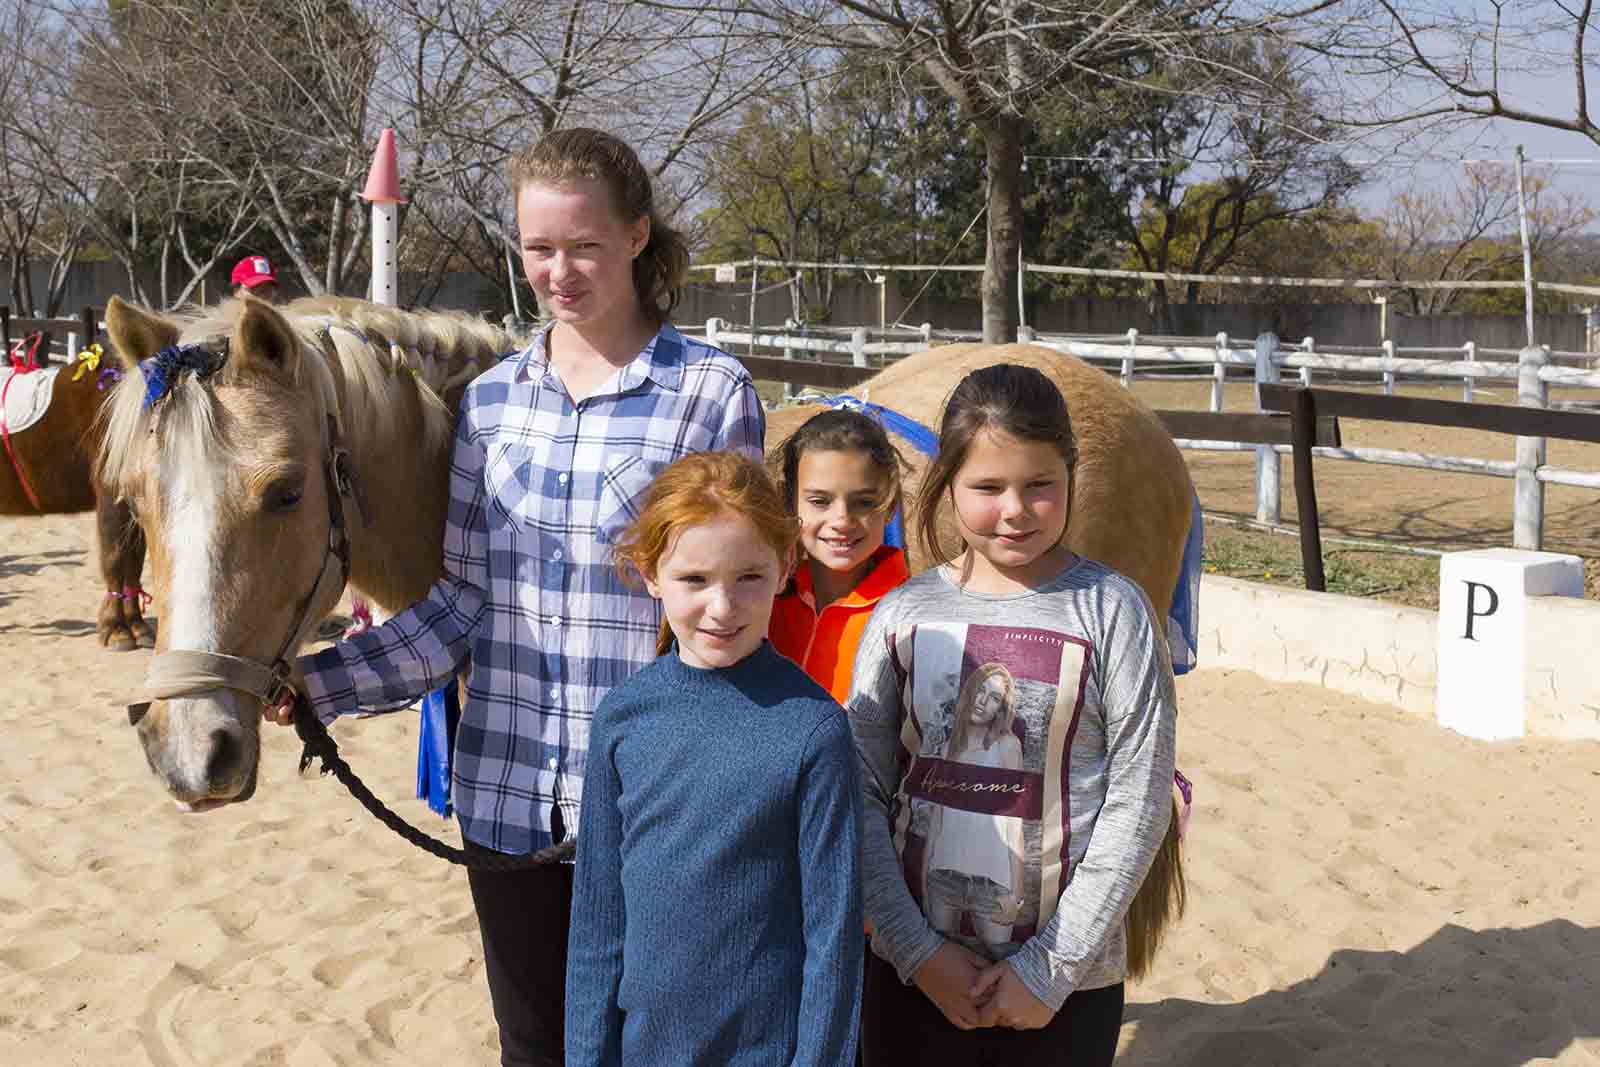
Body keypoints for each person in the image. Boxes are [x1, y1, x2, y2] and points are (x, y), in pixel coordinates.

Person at [266, 128, 765, 1067]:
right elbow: (461, 605)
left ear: (637, 236)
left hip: (651, 805)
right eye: (539, 247)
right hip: (506, 797)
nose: (559, 272)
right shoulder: (491, 404)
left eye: (584, 245)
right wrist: (320, 682)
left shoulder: (709, 393)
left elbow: (730, 617)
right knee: (532, 1047)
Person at [847, 363, 1178, 1067]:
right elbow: (862, 788)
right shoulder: (903, 615)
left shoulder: (1112, 611)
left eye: (1040, 485)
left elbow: (1140, 795)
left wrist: (1048, 969)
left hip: (1065, 987)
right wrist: (917, 951)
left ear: (1072, 474)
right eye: (988, 487)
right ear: (947, 484)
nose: (1016, 510)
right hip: (914, 983)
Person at [565, 451, 863, 1067]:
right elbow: (597, 923)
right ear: (650, 573)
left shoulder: (814, 730)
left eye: (748, 577)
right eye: (695, 580)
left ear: (785, 567)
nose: (722, 607)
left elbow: (833, 940)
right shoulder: (623, 718)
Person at [768, 407, 909, 703]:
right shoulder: (765, 601)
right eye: (820, 501)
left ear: (891, 505)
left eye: (864, 502)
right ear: (789, 502)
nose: (842, 520)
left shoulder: (910, 617)